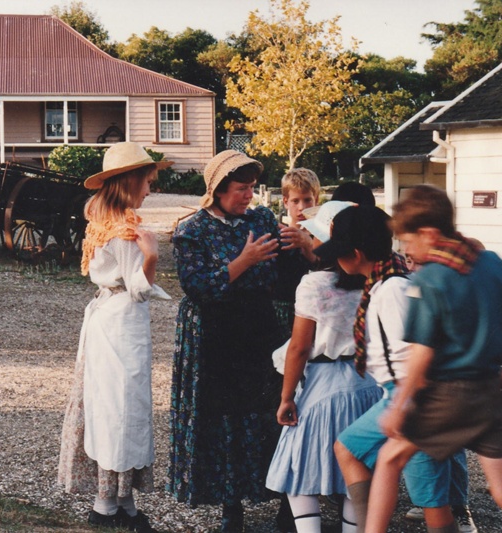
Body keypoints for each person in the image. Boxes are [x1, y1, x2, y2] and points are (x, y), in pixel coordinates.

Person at [365, 184, 502, 533]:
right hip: (488, 390)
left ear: (429, 234)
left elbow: (422, 352)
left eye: (408, 240)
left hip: (448, 395)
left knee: (388, 460)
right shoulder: (491, 263)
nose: (406, 250)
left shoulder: (431, 279)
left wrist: (400, 403)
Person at [327, 204, 476, 533]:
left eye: (337, 252)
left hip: (411, 398)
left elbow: (417, 353)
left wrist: (407, 404)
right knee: (349, 447)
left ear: (354, 253)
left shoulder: (392, 289)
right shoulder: (380, 284)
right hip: (398, 395)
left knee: (432, 502)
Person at [168, 149, 286, 532]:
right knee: (225, 419)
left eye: (252, 188)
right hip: (216, 334)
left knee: (270, 413)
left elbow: (281, 270)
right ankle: (230, 507)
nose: (248, 195)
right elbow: (198, 286)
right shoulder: (193, 230)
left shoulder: (262, 218)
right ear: (218, 189)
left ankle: (287, 501)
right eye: (240, 188)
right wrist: (244, 261)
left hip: (258, 328)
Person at [58, 141, 172, 532]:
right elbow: (137, 286)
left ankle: (121, 499)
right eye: (147, 181)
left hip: (107, 316)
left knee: (114, 404)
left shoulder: (101, 218)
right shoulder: (125, 228)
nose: (150, 190)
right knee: (122, 407)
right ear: (129, 181)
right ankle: (106, 505)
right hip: (122, 319)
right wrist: (153, 255)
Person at [266, 201, 381, 533]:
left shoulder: (314, 284)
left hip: (323, 383)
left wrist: (287, 396)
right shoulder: (374, 280)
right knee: (355, 471)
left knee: (297, 467)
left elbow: (300, 347)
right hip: (366, 384)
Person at [274, 168, 322, 334]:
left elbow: (324, 269)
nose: (302, 207)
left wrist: (307, 244)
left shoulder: (323, 236)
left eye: (307, 200)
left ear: (316, 200)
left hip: (314, 311)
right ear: (286, 202)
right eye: (295, 201)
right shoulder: (278, 236)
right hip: (281, 312)